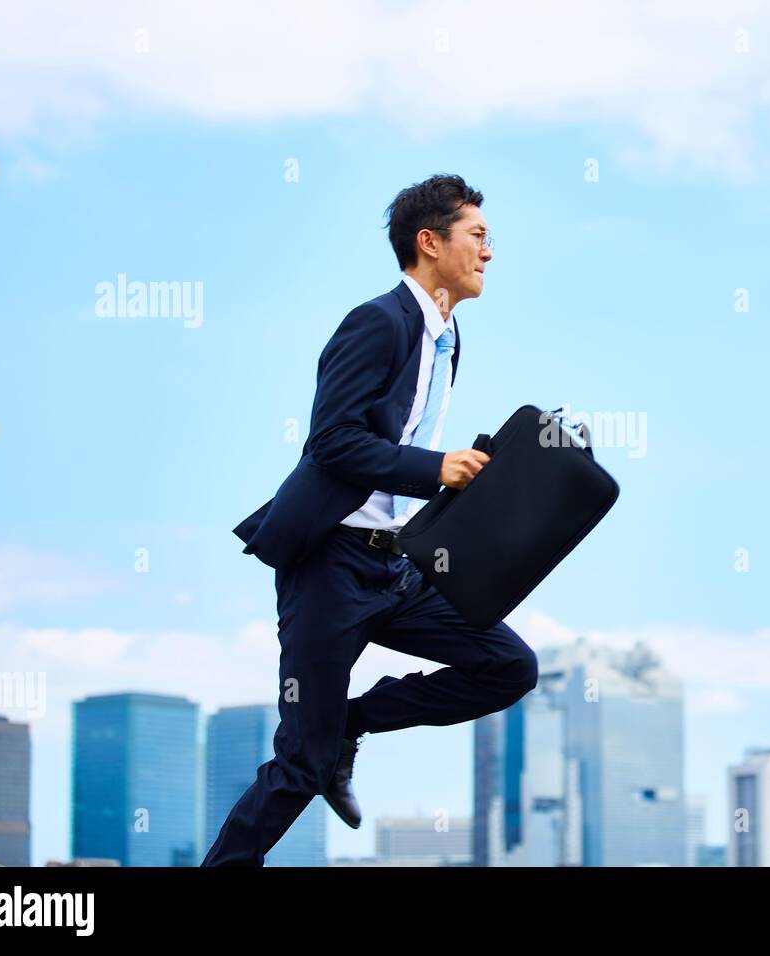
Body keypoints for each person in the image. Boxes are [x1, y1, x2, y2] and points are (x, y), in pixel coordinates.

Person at [202, 173, 539, 866]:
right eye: (477, 235)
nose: (489, 252)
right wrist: (432, 467)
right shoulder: (378, 322)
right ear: (429, 242)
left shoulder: (448, 339)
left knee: (509, 667)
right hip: (331, 563)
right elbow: (332, 442)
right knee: (300, 762)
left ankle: (349, 724)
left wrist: (465, 474)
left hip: (397, 564)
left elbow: (404, 450)